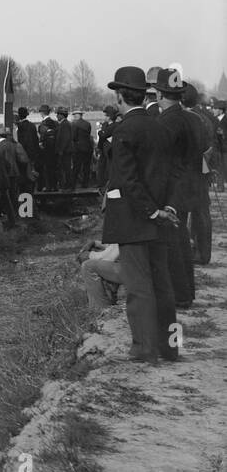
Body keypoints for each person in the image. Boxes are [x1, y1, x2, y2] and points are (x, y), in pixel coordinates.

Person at [100, 66, 178, 363]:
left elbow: (127, 180)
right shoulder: (162, 127)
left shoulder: (124, 131)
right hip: (160, 219)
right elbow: (173, 174)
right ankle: (171, 347)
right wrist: (166, 209)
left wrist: (151, 211)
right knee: (163, 286)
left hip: (134, 220)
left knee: (138, 288)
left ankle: (144, 349)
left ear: (119, 96)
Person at [153, 68, 198, 309]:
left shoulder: (165, 121)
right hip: (188, 187)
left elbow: (161, 161)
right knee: (181, 241)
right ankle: (186, 292)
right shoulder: (189, 118)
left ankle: (179, 295)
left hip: (171, 189)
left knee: (170, 243)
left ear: (160, 94)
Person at [183, 85, 214, 263]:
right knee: (201, 212)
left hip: (193, 171)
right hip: (202, 170)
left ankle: (199, 253)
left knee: (197, 213)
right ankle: (203, 253)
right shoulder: (204, 117)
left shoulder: (191, 118)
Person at [76, 239, 123, 311]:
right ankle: (110, 298)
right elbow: (117, 245)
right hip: (139, 264)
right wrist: (96, 243)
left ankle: (102, 310)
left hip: (136, 270)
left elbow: (108, 258)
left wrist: (89, 255)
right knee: (101, 264)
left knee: (88, 266)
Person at [95, 104, 120, 191]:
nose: (104, 117)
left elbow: (103, 134)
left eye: (106, 115)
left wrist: (101, 132)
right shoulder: (105, 124)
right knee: (101, 167)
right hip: (103, 149)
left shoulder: (115, 125)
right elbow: (102, 136)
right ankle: (101, 183)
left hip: (109, 150)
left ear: (110, 116)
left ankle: (108, 184)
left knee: (108, 168)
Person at [15, 106, 40, 191]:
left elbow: (20, 142)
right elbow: (36, 140)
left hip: (23, 154)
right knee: (31, 174)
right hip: (32, 153)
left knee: (24, 176)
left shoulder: (20, 127)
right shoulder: (32, 125)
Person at [69, 109, 93, 189]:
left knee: (76, 167)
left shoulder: (74, 124)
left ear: (77, 115)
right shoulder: (87, 124)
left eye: (75, 115)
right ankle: (85, 184)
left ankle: (73, 185)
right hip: (88, 148)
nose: (74, 116)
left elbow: (73, 137)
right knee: (86, 167)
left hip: (78, 149)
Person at [37, 104, 59, 190]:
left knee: (47, 169)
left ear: (42, 113)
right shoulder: (54, 123)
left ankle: (48, 186)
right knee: (53, 168)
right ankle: (54, 186)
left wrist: (41, 144)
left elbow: (43, 137)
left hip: (46, 149)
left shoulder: (44, 123)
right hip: (54, 149)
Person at [54, 107, 73, 190]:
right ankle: (67, 185)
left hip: (65, 151)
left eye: (58, 114)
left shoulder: (64, 124)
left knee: (66, 169)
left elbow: (65, 138)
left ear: (62, 115)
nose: (57, 116)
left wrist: (61, 150)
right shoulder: (65, 123)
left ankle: (67, 185)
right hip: (66, 150)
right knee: (66, 168)